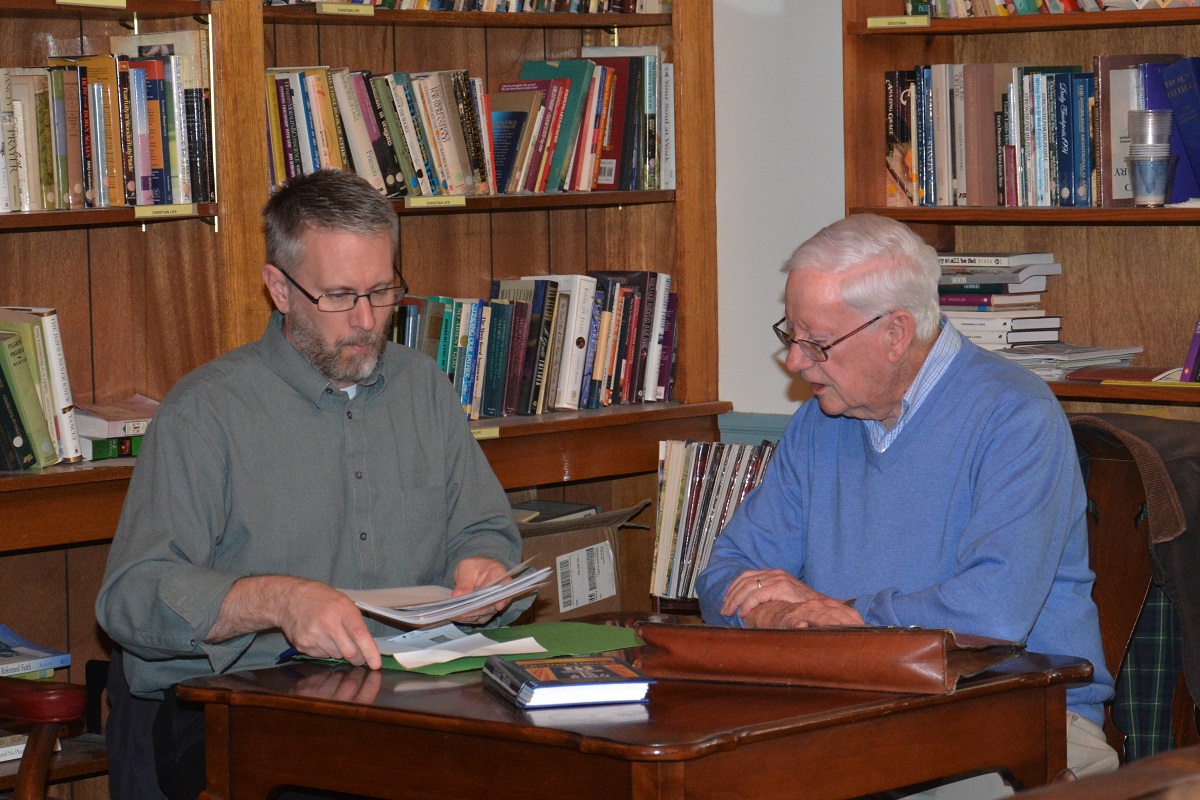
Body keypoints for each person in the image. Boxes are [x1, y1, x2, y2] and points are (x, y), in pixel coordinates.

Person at [95, 169, 526, 800]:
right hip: (244, 708)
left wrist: (483, 567)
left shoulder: (424, 388)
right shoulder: (206, 411)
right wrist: (276, 601)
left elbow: (484, 529)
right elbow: (130, 598)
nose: (365, 320)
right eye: (339, 296)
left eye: (382, 292)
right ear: (280, 288)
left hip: (411, 695)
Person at [695, 214, 1118, 790]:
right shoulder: (820, 424)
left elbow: (990, 614)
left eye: (815, 341)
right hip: (847, 708)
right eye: (788, 335)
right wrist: (779, 614)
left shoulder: (1014, 416)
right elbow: (726, 572)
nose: (794, 361)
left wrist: (847, 619)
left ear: (896, 333)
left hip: (1014, 713)